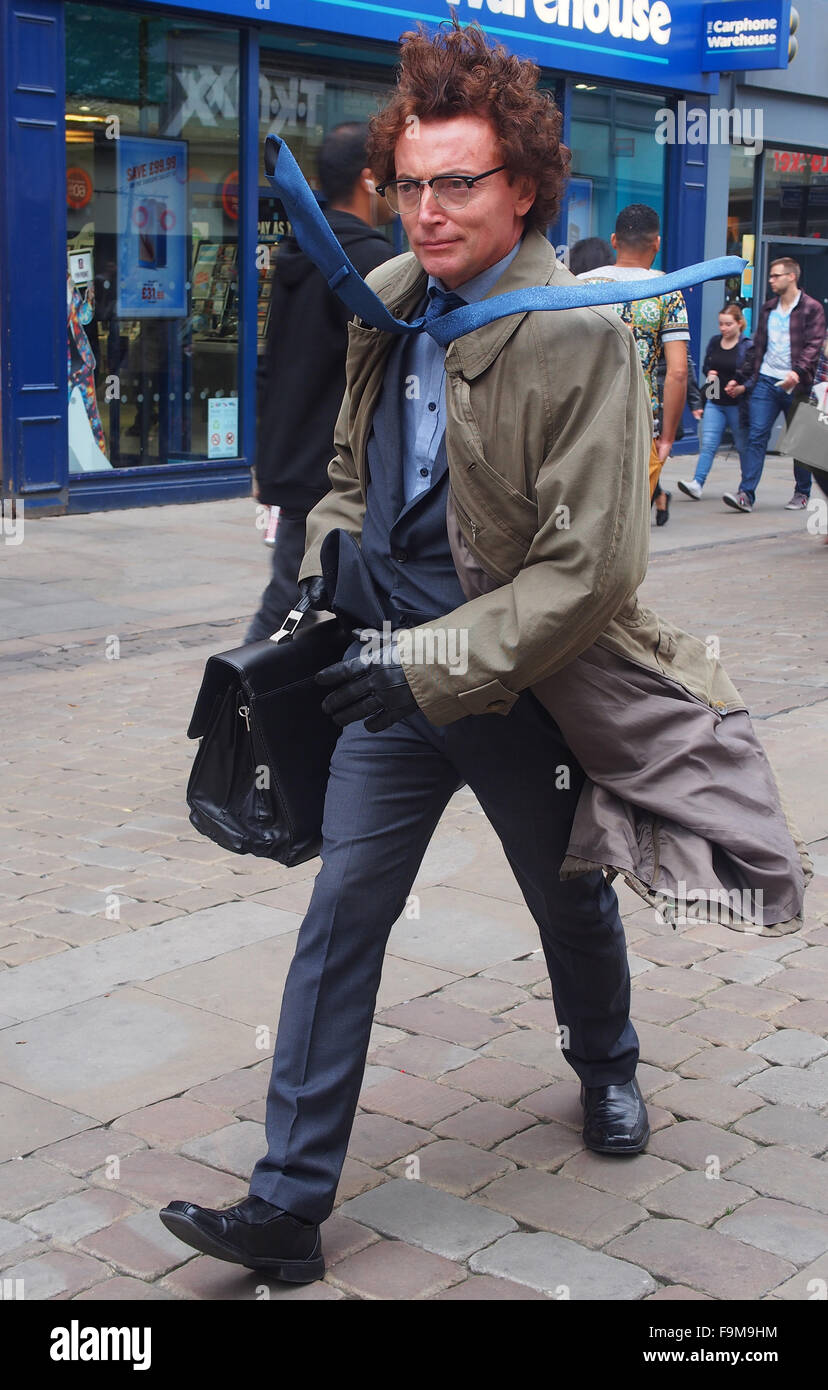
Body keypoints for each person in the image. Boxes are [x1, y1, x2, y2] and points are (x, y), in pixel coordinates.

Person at [161, 21, 805, 1284]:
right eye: (410, 182)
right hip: (385, 673)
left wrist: (431, 660)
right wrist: (333, 562)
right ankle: (288, 1205)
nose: (428, 209)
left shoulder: (582, 334)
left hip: (521, 678)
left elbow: (592, 570)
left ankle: (606, 1063)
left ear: (525, 187)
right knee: (342, 910)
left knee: (566, 894)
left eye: (457, 182)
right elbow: (345, 474)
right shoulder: (391, 299)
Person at [246, 124, 395, 641]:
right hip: (336, 468)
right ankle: (238, 692)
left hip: (295, 460)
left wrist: (266, 462)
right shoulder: (374, 263)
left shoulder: (301, 249)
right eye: (392, 180)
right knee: (292, 606)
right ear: (368, 179)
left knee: (304, 598)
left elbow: (272, 365)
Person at [577, 205, 689, 527]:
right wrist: (667, 438)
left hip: (584, 423)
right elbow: (678, 372)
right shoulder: (667, 290)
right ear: (657, 243)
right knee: (628, 528)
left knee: (584, 524)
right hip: (641, 425)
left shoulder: (579, 285)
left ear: (614, 240)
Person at [722, 257, 826, 514]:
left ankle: (802, 492)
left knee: (800, 441)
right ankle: (746, 494)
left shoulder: (811, 308)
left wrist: (797, 372)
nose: (771, 280)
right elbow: (758, 347)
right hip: (767, 381)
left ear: (791, 277)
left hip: (798, 385)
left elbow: (814, 345)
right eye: (770, 276)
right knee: (757, 435)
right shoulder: (768, 308)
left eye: (776, 276)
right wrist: (742, 377)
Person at [678, 304, 752, 499]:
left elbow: (752, 375)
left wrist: (740, 386)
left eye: (728, 324)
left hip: (737, 404)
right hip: (715, 401)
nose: (723, 328)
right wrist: (709, 373)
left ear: (739, 323)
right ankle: (697, 483)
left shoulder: (747, 346)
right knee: (709, 444)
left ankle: (746, 489)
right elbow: (706, 366)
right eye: (721, 324)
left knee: (742, 446)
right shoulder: (714, 342)